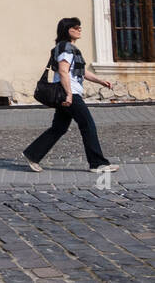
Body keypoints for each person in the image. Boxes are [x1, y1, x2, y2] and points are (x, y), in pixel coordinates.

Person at [23, 18, 117, 173]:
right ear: (67, 30)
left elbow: (80, 71)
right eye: (76, 27)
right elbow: (63, 70)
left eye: (80, 27)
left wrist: (100, 81)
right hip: (70, 93)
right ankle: (98, 163)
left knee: (58, 128)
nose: (80, 29)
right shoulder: (66, 48)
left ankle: (33, 155)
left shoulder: (70, 48)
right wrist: (68, 95)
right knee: (88, 125)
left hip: (68, 93)